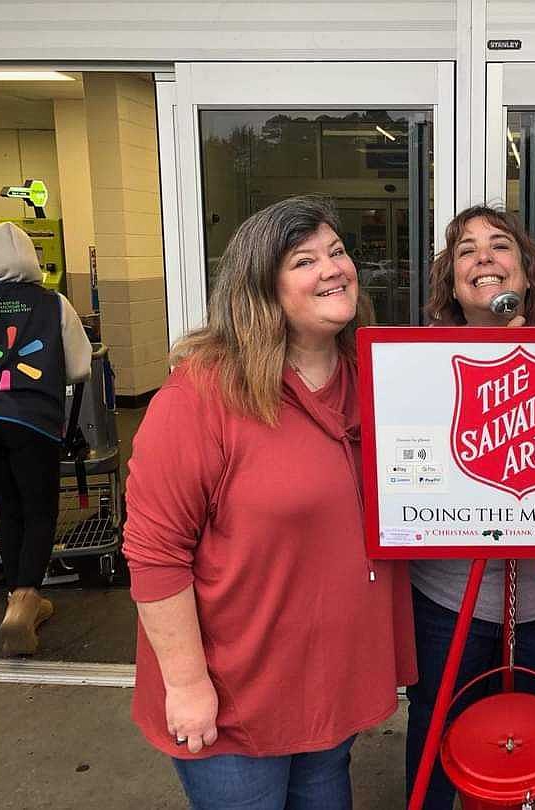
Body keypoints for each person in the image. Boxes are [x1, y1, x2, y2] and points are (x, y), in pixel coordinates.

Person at [122, 196, 416, 810]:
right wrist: (186, 684)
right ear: (260, 288)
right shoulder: (200, 396)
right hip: (235, 697)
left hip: (328, 686)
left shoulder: (374, 377)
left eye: (336, 252)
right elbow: (154, 555)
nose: (334, 268)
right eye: (305, 260)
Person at [407, 205, 535, 810]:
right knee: (438, 722)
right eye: (466, 250)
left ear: (525, 268)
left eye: (499, 246)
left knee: (531, 727)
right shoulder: (418, 358)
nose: (484, 258)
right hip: (445, 592)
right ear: (451, 278)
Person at [0, 222, 92, 654]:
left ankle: (16, 598)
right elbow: (79, 368)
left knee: (8, 508)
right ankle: (27, 598)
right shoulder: (55, 304)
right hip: (32, 420)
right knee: (38, 511)